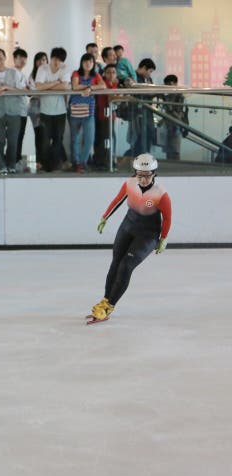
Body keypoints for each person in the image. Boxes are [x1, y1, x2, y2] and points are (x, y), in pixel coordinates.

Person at [89, 154, 171, 323]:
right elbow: (118, 200)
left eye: (148, 175)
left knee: (126, 266)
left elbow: (167, 217)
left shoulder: (161, 194)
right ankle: (105, 300)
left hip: (148, 234)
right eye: (139, 175)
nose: (143, 179)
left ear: (154, 174)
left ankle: (109, 306)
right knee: (116, 262)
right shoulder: (129, 183)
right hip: (128, 226)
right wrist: (105, 217)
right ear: (135, 173)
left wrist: (163, 238)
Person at [35, 47, 70, 172]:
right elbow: (38, 87)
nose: (56, 62)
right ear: (51, 58)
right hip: (45, 111)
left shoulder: (65, 68)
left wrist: (47, 86)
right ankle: (45, 166)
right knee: (44, 140)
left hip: (60, 111)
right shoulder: (43, 68)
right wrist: (56, 83)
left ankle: (55, 165)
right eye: (55, 59)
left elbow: (65, 87)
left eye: (60, 60)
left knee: (58, 140)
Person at [69, 53, 106, 172]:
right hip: (75, 109)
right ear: (82, 62)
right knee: (75, 138)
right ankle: (75, 161)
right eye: (85, 61)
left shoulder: (96, 75)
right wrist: (91, 86)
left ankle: (83, 161)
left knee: (89, 138)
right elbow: (74, 86)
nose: (88, 64)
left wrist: (88, 88)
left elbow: (103, 86)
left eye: (90, 62)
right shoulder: (76, 73)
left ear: (93, 63)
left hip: (89, 110)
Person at [94, 63, 119, 169]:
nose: (111, 75)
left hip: (111, 116)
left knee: (110, 138)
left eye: (113, 72)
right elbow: (112, 98)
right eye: (108, 72)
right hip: (103, 116)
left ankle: (108, 160)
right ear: (104, 74)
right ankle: (104, 161)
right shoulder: (103, 84)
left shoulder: (115, 85)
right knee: (106, 138)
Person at [29, 52, 48, 171]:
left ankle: (47, 160)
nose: (41, 62)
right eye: (39, 60)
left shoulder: (50, 73)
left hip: (48, 106)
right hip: (35, 107)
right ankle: (39, 161)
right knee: (39, 135)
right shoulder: (32, 75)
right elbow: (34, 90)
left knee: (47, 135)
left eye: (44, 60)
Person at [162, 74, 188, 160]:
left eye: (167, 85)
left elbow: (179, 113)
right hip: (168, 125)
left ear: (172, 83)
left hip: (176, 125)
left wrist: (168, 108)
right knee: (169, 150)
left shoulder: (179, 96)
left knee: (175, 150)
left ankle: (176, 170)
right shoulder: (169, 96)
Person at [12, 48, 31, 165]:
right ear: (14, 59)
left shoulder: (22, 74)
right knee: (16, 136)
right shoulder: (12, 72)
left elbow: (27, 91)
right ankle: (14, 160)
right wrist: (25, 89)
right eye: (20, 58)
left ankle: (17, 159)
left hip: (23, 110)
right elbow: (19, 89)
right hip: (15, 110)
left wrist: (26, 89)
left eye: (24, 58)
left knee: (20, 136)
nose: (23, 60)